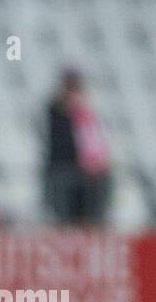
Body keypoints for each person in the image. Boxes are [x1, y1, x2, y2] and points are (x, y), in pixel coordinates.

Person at [43, 68, 111, 224]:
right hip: (63, 169)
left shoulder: (85, 113)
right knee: (65, 214)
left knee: (89, 213)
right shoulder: (56, 109)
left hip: (86, 172)